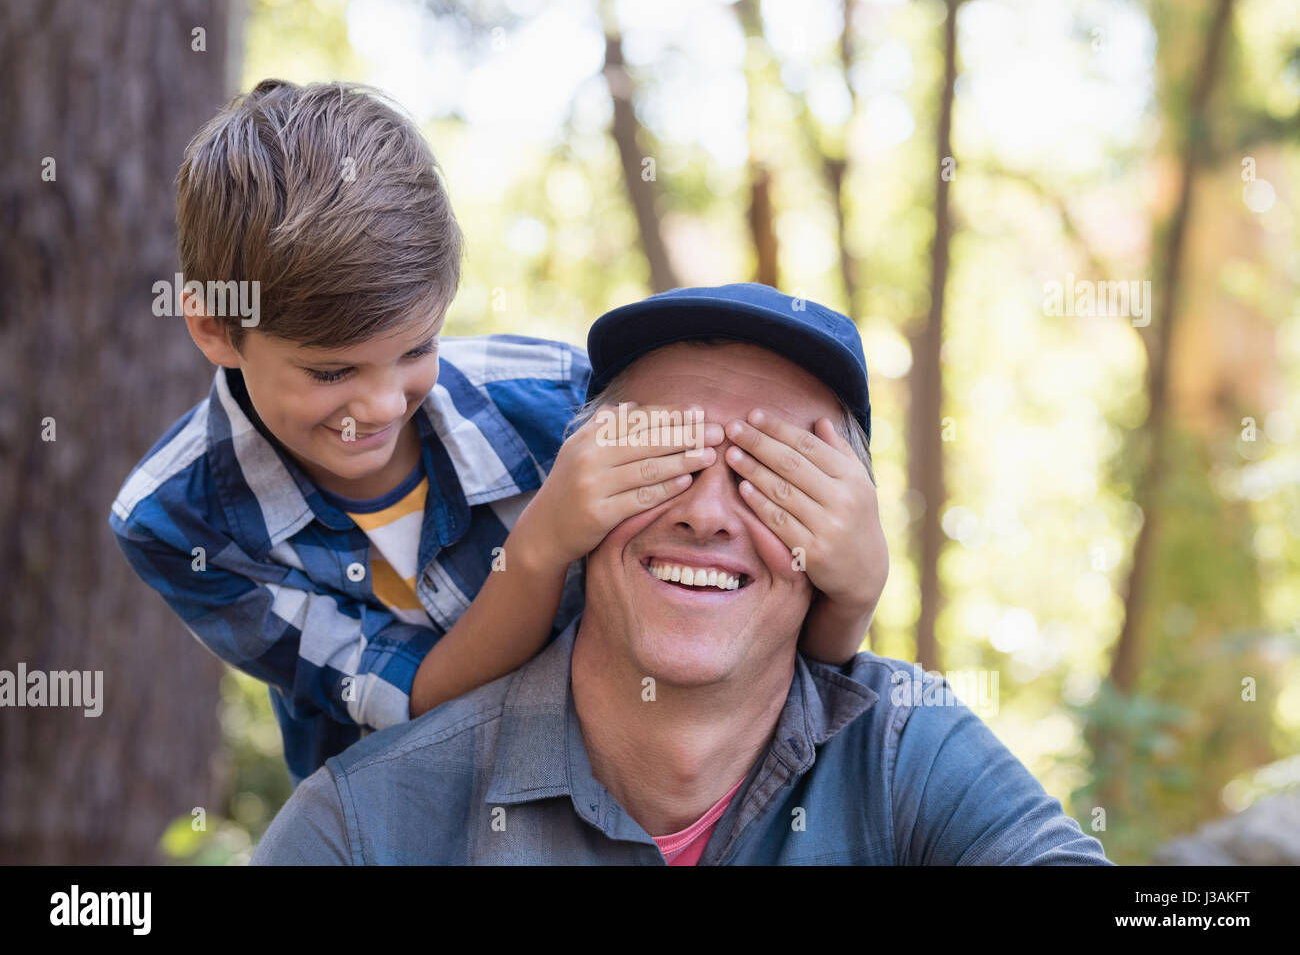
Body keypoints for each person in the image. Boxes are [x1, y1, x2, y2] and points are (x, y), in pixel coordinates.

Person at [108, 81, 866, 787]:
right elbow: (411, 701)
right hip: (396, 820)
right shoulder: (175, 519)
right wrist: (541, 545)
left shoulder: (555, 396)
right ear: (213, 326)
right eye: (331, 373)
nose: (378, 405)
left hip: (616, 797)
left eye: (414, 351)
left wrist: (854, 592)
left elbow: (760, 636)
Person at [251, 283, 1112, 865]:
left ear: (846, 535)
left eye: (772, 474)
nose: (707, 512)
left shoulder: (904, 754)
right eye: (661, 458)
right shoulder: (366, 826)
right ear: (577, 494)